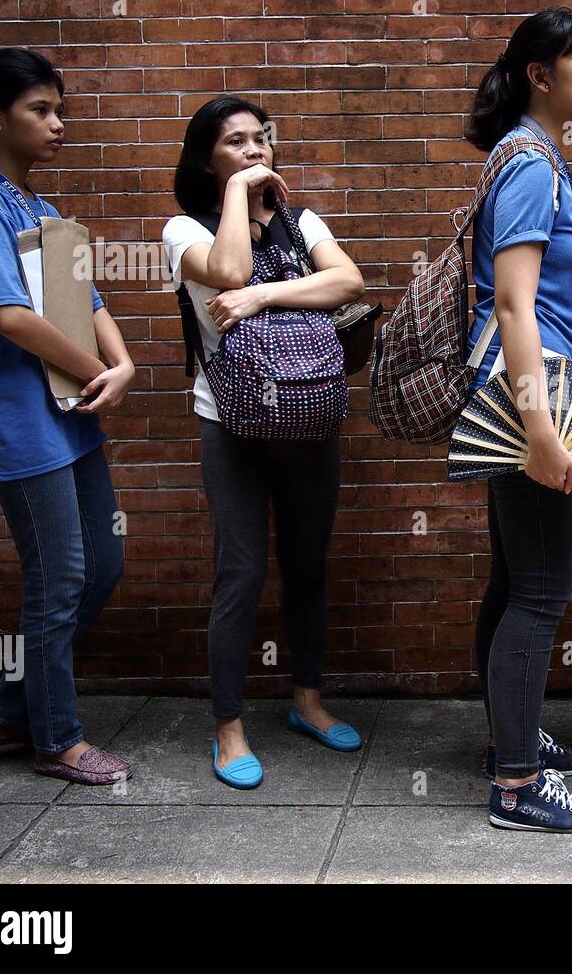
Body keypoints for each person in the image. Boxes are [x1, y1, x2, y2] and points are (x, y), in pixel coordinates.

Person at [0, 48, 133, 785]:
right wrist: (99, 371)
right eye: (41, 110)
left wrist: (123, 365)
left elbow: (85, 301)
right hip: (19, 423)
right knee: (57, 579)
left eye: (61, 110)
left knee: (101, 565)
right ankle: (57, 738)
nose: (59, 124)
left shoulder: (44, 210)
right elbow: (10, 316)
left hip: (71, 415)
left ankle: (9, 704)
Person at [162, 97, 366, 790]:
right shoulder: (181, 229)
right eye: (236, 143)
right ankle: (228, 727)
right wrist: (235, 198)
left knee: (307, 564)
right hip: (233, 421)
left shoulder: (303, 221)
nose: (254, 151)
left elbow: (349, 280)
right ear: (207, 158)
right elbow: (224, 272)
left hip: (308, 415)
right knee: (240, 574)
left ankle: (306, 699)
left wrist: (264, 298)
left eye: (261, 141)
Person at [464, 7, 572, 832]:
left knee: (515, 579)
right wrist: (542, 427)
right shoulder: (529, 161)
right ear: (537, 73)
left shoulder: (538, 155)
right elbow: (515, 304)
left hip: (530, 391)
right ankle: (518, 785)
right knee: (544, 589)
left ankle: (506, 741)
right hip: (528, 398)